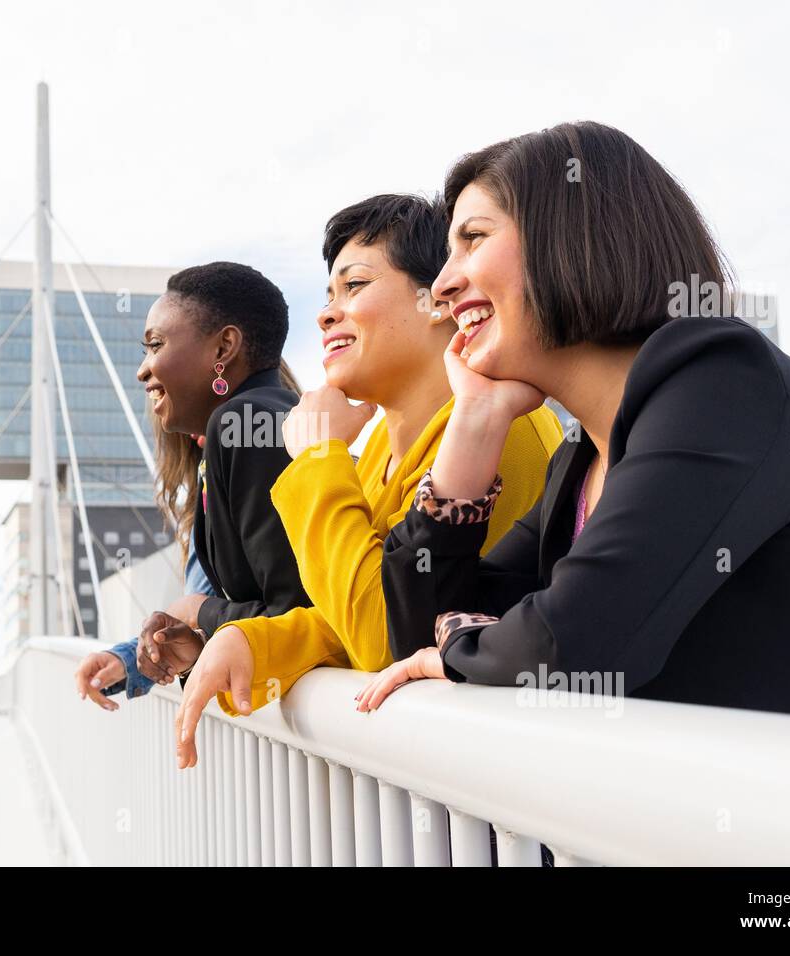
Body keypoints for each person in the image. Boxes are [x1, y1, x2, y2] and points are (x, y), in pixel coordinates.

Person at [362, 122, 790, 728]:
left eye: (474, 237)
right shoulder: (577, 464)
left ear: (571, 238)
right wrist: (474, 419)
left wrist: (461, 643)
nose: (443, 285)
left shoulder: (723, 378)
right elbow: (417, 631)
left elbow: (570, 643)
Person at [173, 195, 562, 767]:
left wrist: (318, 458)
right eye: (329, 295)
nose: (327, 314)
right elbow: (343, 613)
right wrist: (252, 640)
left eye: (354, 286)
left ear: (437, 298)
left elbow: (385, 634)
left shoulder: (500, 424)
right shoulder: (381, 442)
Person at [74, 261, 312, 709]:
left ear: (224, 346)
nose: (143, 370)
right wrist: (197, 637)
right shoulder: (262, 417)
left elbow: (297, 617)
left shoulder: (243, 421)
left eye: (155, 345)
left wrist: (196, 611)